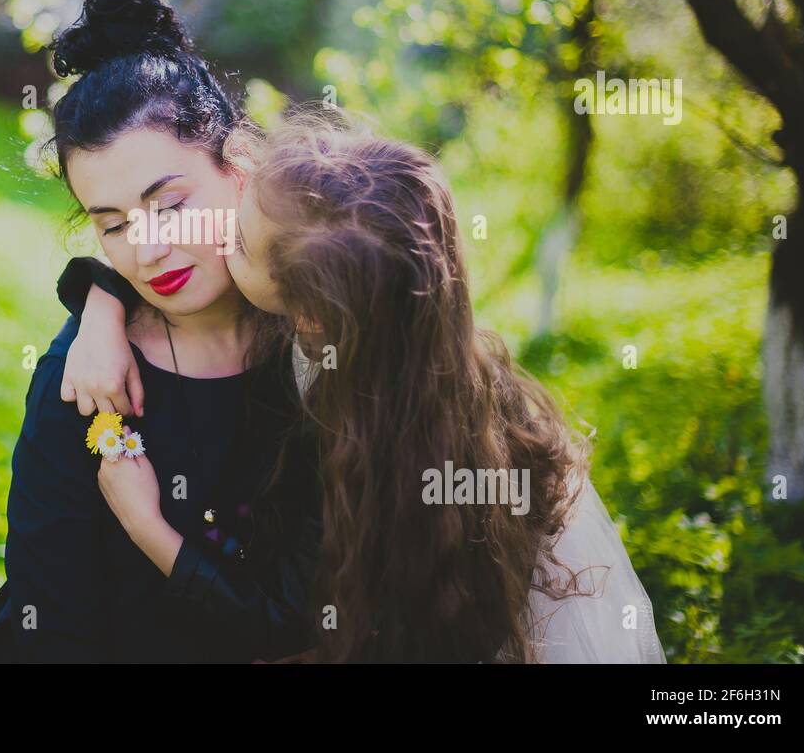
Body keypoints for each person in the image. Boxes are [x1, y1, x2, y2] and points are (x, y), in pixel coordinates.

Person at [63, 111, 667, 663]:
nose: (219, 238)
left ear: (309, 315)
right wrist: (101, 307)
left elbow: (277, 621)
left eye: (239, 243)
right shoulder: (367, 273)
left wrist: (147, 524)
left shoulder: (351, 432)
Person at [0, 0, 318, 663]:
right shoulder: (85, 381)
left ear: (239, 166)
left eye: (170, 203)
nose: (148, 248)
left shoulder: (312, 346)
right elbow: (53, 616)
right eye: (114, 224)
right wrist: (100, 300)